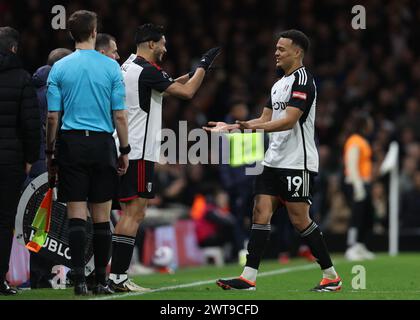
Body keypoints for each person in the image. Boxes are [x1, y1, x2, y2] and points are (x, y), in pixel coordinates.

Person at [205, 29, 341, 292]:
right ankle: (248, 278)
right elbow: (264, 119)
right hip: (272, 160)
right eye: (276, 48)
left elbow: (289, 120)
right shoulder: (278, 84)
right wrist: (232, 127)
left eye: (281, 49)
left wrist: (251, 128)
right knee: (260, 212)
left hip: (296, 161)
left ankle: (331, 276)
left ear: (297, 52)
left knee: (300, 219)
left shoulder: (304, 80)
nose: (276, 53)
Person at [108, 23, 221, 292]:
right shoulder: (147, 71)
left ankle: (110, 275)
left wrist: (191, 73)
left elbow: (167, 85)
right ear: (150, 44)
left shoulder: (129, 66)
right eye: (162, 43)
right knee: (134, 213)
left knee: (125, 213)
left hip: (125, 147)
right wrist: (204, 65)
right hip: (137, 150)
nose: (165, 48)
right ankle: (118, 278)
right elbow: (187, 93)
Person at [46, 10, 129, 296]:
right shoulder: (110, 68)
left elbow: (53, 116)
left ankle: (79, 280)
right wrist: (125, 150)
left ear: (72, 34)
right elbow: (120, 116)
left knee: (76, 216)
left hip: (70, 144)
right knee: (102, 217)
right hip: (102, 144)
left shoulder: (59, 68)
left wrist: (50, 151)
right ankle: (101, 281)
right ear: (94, 32)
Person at [0, 26, 40, 295]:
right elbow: (30, 124)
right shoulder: (22, 78)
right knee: (4, 221)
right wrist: (29, 158)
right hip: (9, 161)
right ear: (14, 48)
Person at [28, 48, 72, 289]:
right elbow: (51, 127)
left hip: (33, 163)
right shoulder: (51, 93)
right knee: (47, 221)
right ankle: (41, 275)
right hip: (47, 163)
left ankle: (40, 274)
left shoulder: (34, 88)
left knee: (38, 221)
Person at [343, 114, 375, 261]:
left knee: (368, 216)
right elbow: (352, 164)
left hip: (364, 182)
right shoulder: (354, 141)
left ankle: (360, 245)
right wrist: (358, 186)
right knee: (357, 216)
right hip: (355, 182)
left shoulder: (362, 141)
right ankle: (351, 247)